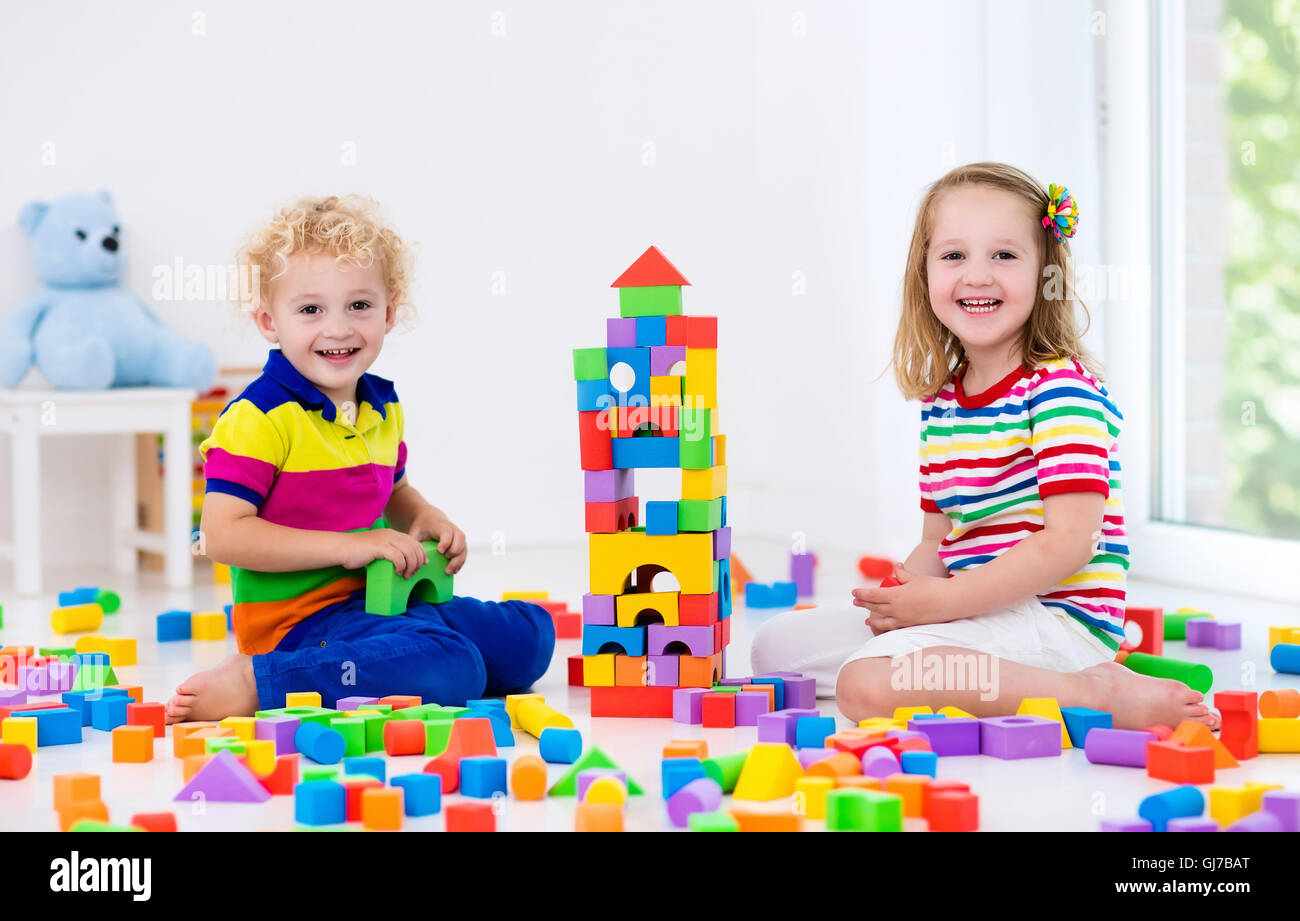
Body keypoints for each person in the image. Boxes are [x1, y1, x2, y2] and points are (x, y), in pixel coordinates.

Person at [750, 163, 1218, 732]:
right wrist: (903, 598)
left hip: (1053, 621)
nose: (977, 276)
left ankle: (1088, 690)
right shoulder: (943, 400)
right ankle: (953, 664)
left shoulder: (1059, 391)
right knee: (774, 652)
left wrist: (941, 607)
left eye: (1004, 256)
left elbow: (1071, 543)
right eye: (953, 256)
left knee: (864, 686)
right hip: (977, 611)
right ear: (923, 272)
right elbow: (938, 541)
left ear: (1046, 272)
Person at [164, 195, 554, 723]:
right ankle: (262, 680)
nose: (339, 328)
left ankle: (407, 648)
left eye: (359, 306)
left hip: (381, 602)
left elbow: (393, 491)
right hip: (302, 625)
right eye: (310, 310)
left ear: (389, 313)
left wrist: (423, 518)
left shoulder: (381, 405)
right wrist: (347, 547)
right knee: (453, 667)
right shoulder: (259, 418)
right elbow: (221, 535)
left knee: (531, 637)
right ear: (268, 321)